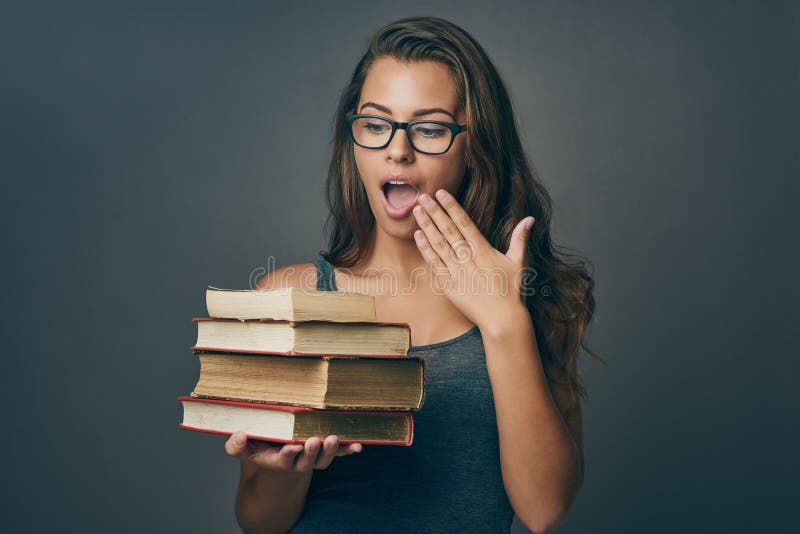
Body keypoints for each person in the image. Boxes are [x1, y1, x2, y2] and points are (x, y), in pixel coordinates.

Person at [224, 16, 598, 534]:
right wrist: (287, 470)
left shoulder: (530, 299)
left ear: (474, 149)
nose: (397, 150)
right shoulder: (288, 296)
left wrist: (503, 322)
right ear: (353, 140)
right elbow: (259, 522)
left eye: (429, 129)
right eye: (376, 124)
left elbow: (545, 510)